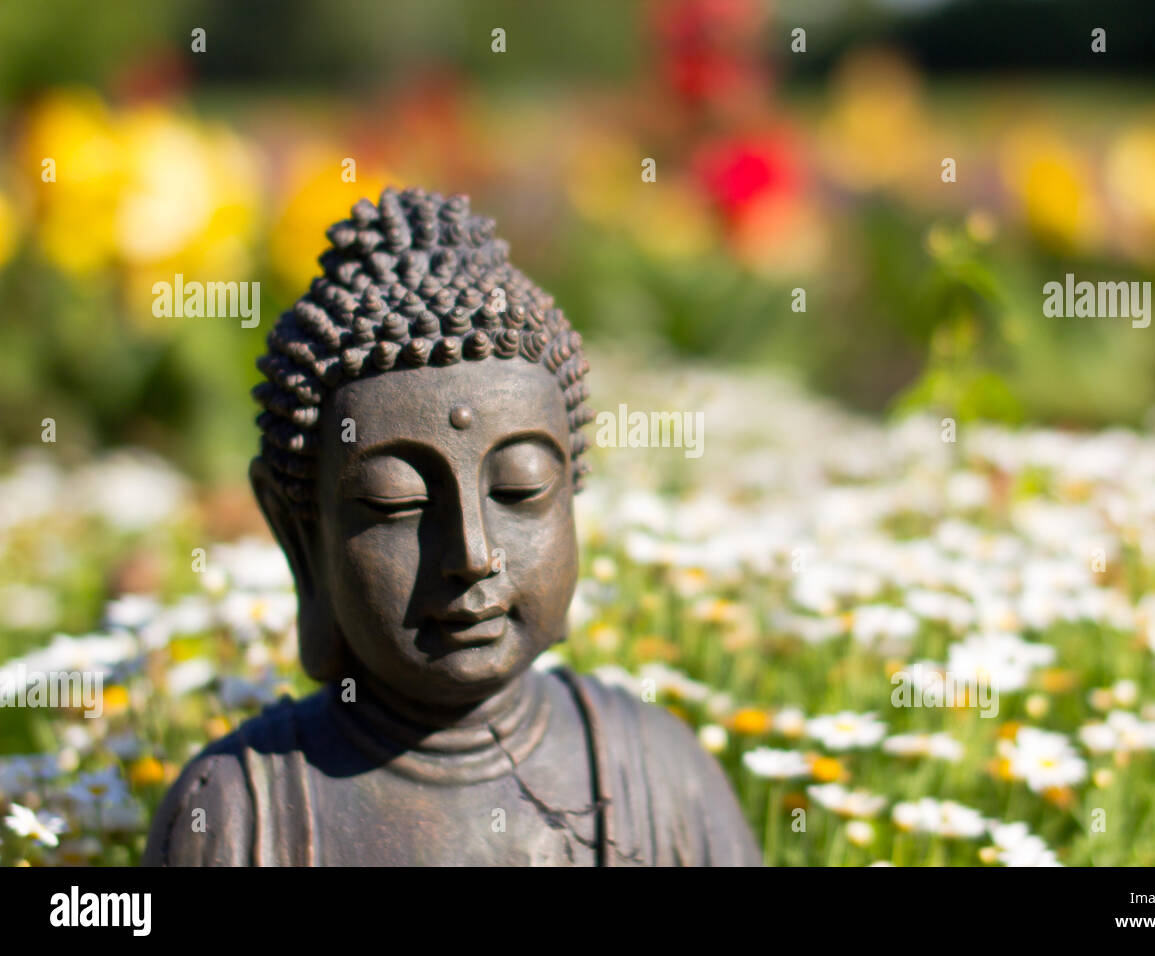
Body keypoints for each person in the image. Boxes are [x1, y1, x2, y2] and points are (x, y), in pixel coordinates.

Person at [144, 187, 761, 866]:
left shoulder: (662, 777)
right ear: (300, 536)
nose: (472, 553)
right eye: (395, 502)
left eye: (519, 488)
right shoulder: (237, 814)